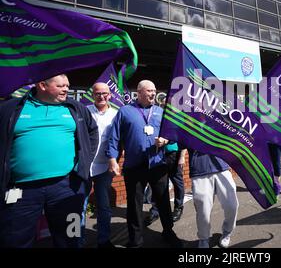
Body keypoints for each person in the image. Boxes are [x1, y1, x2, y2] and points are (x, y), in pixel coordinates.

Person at [0, 74, 98, 248]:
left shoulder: (76, 107)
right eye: (61, 86)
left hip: (68, 188)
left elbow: (92, 131)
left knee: (71, 235)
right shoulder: (10, 108)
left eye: (67, 85)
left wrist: (84, 161)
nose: (66, 89)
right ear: (42, 85)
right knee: (15, 240)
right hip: (21, 190)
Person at [107, 80, 182, 248]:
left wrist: (165, 139)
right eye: (149, 91)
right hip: (134, 167)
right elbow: (114, 137)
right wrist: (112, 159)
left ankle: (169, 232)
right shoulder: (125, 112)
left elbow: (172, 133)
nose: (153, 94)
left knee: (163, 202)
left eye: (154, 91)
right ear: (139, 92)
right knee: (134, 205)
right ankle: (135, 240)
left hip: (157, 165)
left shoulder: (160, 111)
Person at [185, 150, 239, 248]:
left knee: (232, 205)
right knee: (203, 211)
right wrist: (166, 140)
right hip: (199, 170)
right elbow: (177, 137)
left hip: (221, 167)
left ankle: (227, 232)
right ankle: (204, 239)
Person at [145, 94, 185, 226]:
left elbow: (183, 138)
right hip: (158, 154)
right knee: (158, 183)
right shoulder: (158, 114)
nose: (166, 104)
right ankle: (155, 210)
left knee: (177, 181)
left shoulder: (179, 116)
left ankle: (178, 207)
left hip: (173, 153)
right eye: (165, 102)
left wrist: (182, 156)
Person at [86, 82, 118, 248]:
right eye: (97, 93)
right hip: (83, 166)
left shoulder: (116, 114)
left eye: (104, 93)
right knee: (79, 205)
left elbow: (120, 139)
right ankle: (76, 240)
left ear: (110, 95)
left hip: (105, 167)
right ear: (93, 95)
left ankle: (103, 240)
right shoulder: (85, 111)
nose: (101, 96)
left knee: (104, 206)